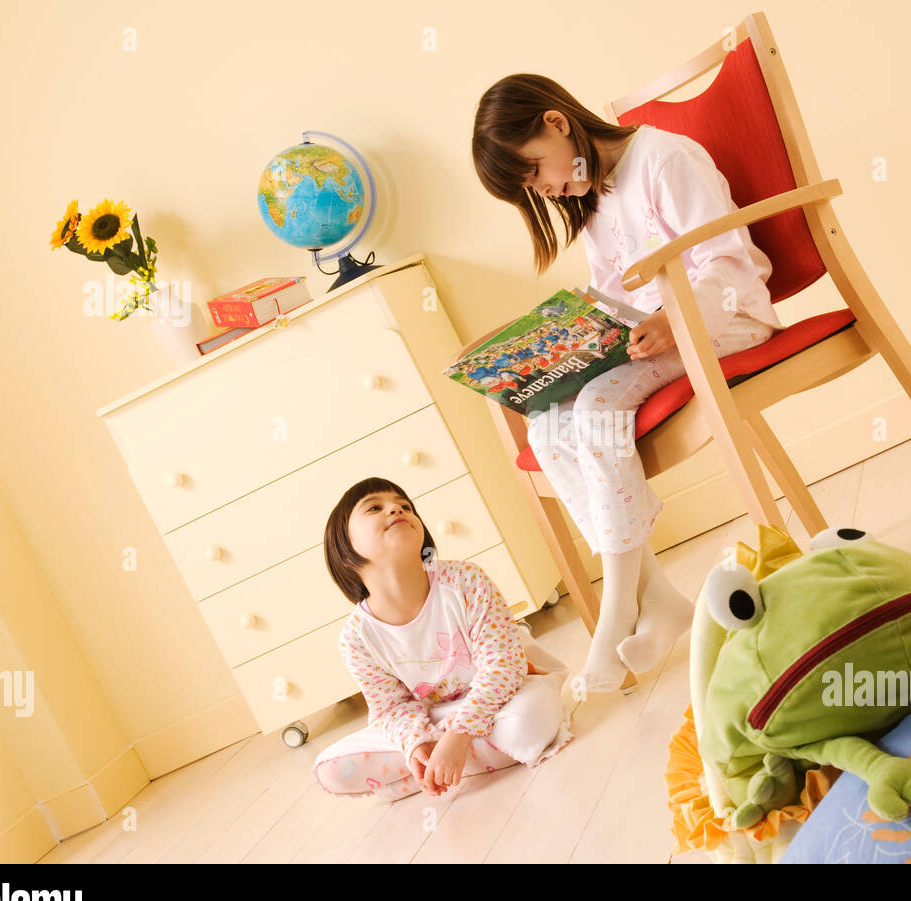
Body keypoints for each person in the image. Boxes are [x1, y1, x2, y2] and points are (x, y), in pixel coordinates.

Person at [471, 74, 785, 693]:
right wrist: (574, 346)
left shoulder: (665, 160)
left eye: (536, 171)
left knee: (599, 403)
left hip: (729, 321)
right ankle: (659, 595)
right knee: (548, 419)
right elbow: (614, 296)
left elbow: (728, 259)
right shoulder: (596, 197)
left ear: (558, 123)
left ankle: (615, 612)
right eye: (531, 186)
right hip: (658, 339)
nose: (545, 189)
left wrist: (676, 318)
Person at [312, 477, 572, 801]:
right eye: (375, 508)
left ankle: (442, 765)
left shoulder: (465, 580)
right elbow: (392, 708)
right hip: (435, 718)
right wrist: (418, 745)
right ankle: (441, 763)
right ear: (345, 549)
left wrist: (458, 737)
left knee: (527, 724)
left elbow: (503, 668)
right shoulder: (356, 639)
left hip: (506, 696)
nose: (396, 508)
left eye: (405, 506)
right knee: (329, 770)